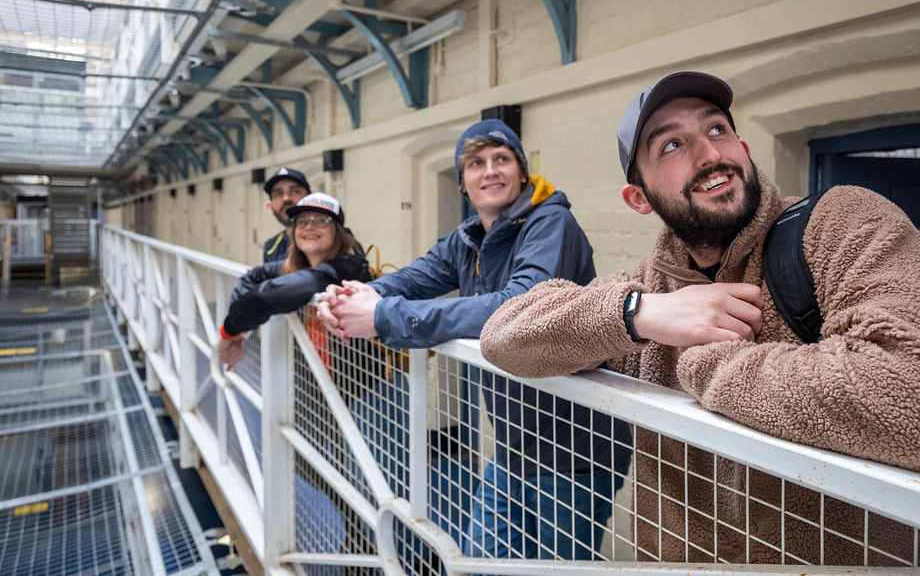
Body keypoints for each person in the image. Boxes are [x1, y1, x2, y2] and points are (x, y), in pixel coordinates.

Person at [479, 71, 920, 565]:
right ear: (638, 198)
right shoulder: (653, 284)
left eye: (716, 129)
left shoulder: (840, 223)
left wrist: (713, 364)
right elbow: (503, 335)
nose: (709, 153)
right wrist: (640, 314)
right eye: (672, 145)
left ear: (743, 150)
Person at [316, 119, 633, 560]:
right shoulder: (469, 239)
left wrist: (384, 316)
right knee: (478, 559)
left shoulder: (550, 223)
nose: (490, 171)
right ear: (463, 182)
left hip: (571, 448)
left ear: (522, 172)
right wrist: (360, 295)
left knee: (557, 568)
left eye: (502, 159)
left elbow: (516, 306)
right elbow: (417, 276)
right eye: (476, 163)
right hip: (512, 444)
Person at [218, 192, 370, 368]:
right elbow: (252, 277)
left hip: (364, 384)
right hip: (312, 379)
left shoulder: (348, 266)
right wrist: (240, 331)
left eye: (321, 220)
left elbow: (265, 296)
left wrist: (229, 331)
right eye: (302, 221)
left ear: (338, 230)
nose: (309, 226)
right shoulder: (297, 265)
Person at [261, 167, 311, 262]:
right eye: (278, 194)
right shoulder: (271, 248)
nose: (286, 198)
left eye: (295, 191)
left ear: (310, 199)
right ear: (270, 207)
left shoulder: (331, 238)